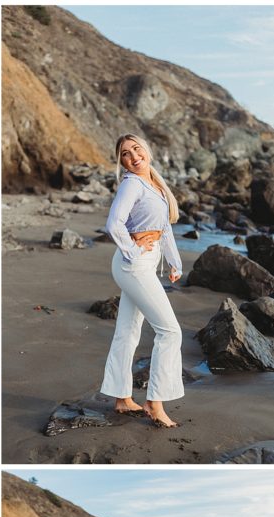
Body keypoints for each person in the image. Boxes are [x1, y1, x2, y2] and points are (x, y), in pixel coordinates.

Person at [100, 134, 184, 428]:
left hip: (144, 261)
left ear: (147, 150)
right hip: (133, 264)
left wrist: (174, 261)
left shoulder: (155, 184)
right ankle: (154, 401)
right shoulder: (132, 184)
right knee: (170, 332)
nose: (133, 157)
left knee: (128, 331)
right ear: (121, 161)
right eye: (125, 154)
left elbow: (164, 228)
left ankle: (122, 398)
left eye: (136, 150)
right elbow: (114, 224)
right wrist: (134, 249)